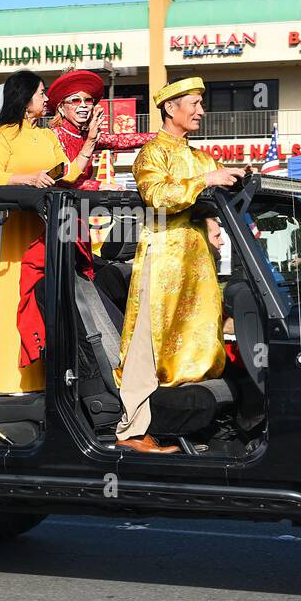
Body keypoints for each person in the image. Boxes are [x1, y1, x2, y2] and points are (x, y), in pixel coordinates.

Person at [116, 77, 245, 453]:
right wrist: (207, 180)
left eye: (201, 104)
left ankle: (197, 424)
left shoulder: (203, 157)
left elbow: (218, 192)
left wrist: (238, 179)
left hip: (198, 263)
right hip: (162, 263)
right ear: (170, 108)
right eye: (194, 104)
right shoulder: (151, 153)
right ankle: (131, 430)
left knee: (201, 339)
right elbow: (157, 196)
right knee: (146, 346)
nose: (201, 111)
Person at [0, 70, 82, 395]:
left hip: (44, 227)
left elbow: (65, 173)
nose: (46, 99)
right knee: (13, 298)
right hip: (14, 228)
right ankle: (7, 383)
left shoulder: (49, 135)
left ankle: (44, 380)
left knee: (43, 299)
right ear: (25, 98)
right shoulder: (5, 134)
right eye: (41, 93)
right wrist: (28, 179)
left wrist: (90, 144)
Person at [47, 69, 155, 191]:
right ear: (61, 108)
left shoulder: (87, 135)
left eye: (88, 100)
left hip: (82, 204)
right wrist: (101, 186)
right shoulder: (53, 136)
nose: (83, 105)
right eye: (76, 100)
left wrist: (164, 136)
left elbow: (120, 140)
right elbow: (61, 179)